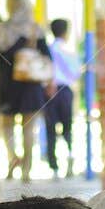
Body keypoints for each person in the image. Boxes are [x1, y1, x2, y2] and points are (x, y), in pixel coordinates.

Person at [0, 0, 52, 181]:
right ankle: (25, 168)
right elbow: (47, 58)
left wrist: (17, 44)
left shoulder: (2, 29)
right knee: (28, 128)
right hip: (30, 84)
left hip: (9, 84)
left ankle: (14, 162)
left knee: (7, 127)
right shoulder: (36, 29)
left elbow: (0, 57)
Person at [42, 18, 80, 176]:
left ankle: (54, 167)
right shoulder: (68, 51)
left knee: (50, 129)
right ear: (66, 32)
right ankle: (70, 157)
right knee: (67, 126)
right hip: (64, 91)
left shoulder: (46, 49)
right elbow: (75, 73)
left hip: (48, 92)